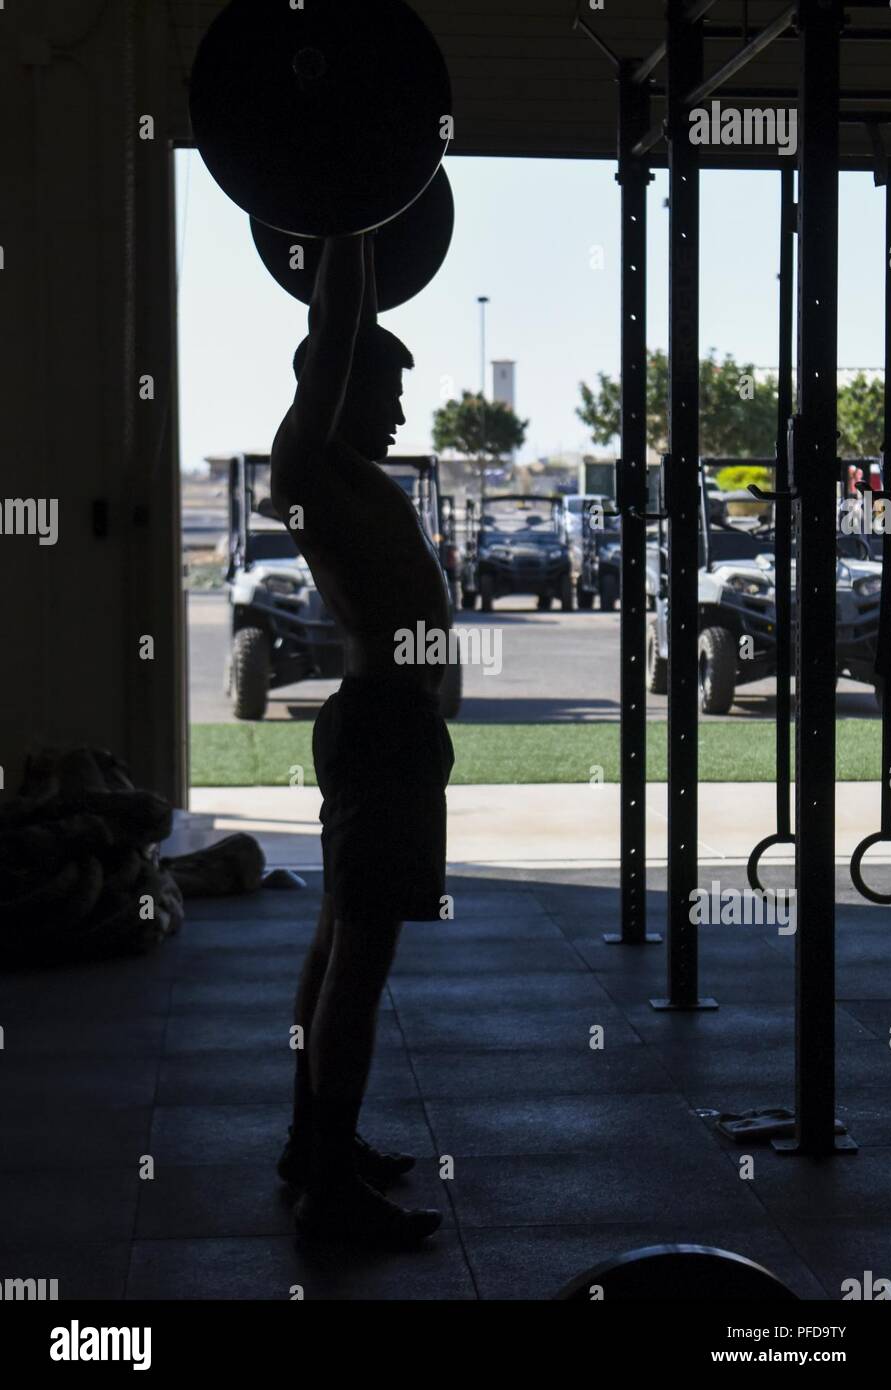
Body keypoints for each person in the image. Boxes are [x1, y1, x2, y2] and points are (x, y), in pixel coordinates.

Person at [270, 234, 455, 1248]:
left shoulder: (340, 470)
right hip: (381, 729)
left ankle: (314, 1146)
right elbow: (332, 327)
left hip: (392, 731)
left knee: (339, 937)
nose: (395, 413)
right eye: (382, 392)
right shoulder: (308, 461)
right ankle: (328, 1195)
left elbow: (342, 333)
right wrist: (341, 214)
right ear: (332, 390)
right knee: (360, 961)